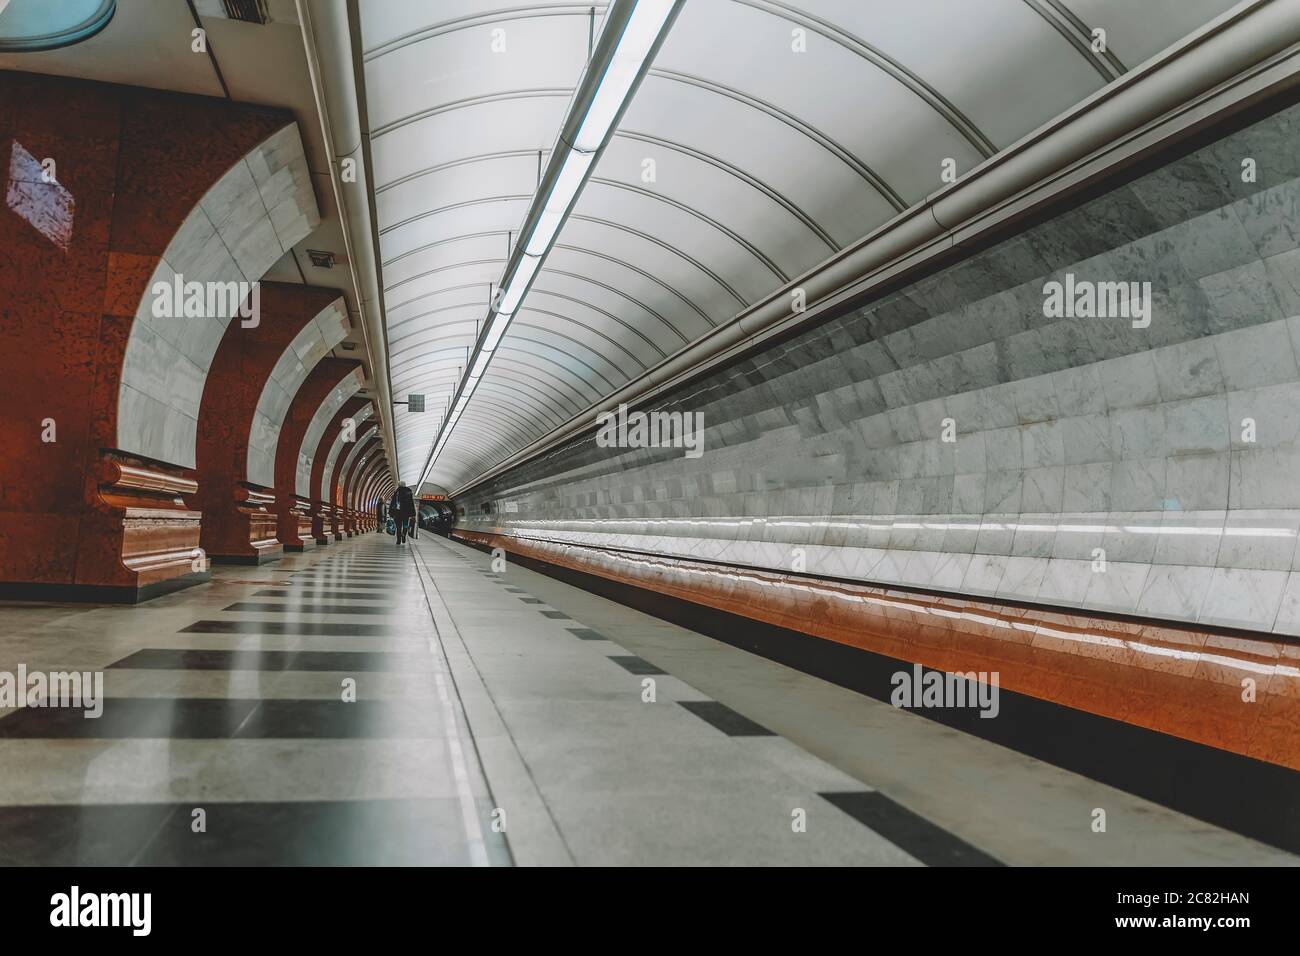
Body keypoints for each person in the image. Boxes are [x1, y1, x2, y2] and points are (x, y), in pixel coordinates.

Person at [389, 481, 415, 546]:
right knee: (405, 525)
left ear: (399, 485)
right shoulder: (409, 492)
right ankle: (404, 534)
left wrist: (391, 512)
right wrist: (413, 514)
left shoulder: (397, 492)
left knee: (398, 527)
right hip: (406, 513)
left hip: (398, 513)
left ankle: (398, 540)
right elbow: (411, 503)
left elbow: (393, 503)